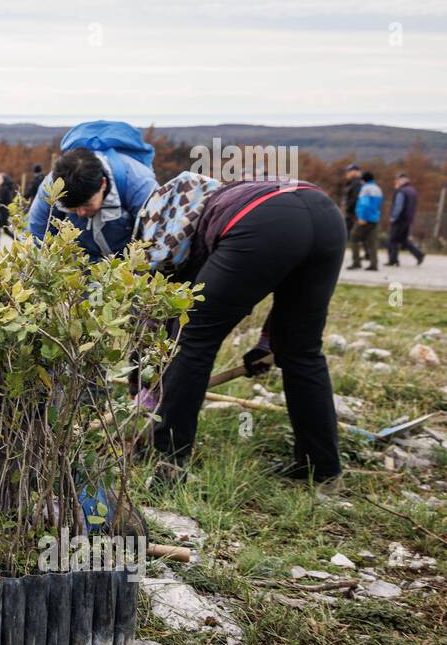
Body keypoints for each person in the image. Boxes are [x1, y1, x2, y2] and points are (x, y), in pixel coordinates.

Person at [148, 178, 346, 482]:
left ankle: (167, 460)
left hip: (264, 222)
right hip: (326, 215)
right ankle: (320, 468)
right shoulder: (222, 197)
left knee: (193, 337)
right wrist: (269, 343)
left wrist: (153, 374)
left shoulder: (193, 239)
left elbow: (185, 323)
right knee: (302, 350)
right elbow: (282, 288)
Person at [27, 121, 157, 261]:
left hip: (128, 271)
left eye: (87, 205)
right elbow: (37, 237)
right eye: (72, 209)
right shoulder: (52, 188)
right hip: (80, 269)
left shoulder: (139, 184)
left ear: (103, 184)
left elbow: (156, 244)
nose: (81, 213)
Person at [386, 172, 425, 267]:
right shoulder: (412, 191)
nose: (395, 182)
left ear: (401, 180)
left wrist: (393, 217)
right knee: (403, 239)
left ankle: (393, 260)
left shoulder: (401, 191)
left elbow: (398, 206)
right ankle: (419, 254)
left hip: (399, 219)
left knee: (393, 239)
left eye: (397, 180)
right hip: (408, 219)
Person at [348, 171, 382, 271]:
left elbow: (364, 204)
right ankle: (374, 264)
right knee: (372, 242)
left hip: (364, 219)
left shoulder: (365, 189)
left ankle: (356, 262)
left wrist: (361, 217)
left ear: (364, 180)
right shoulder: (378, 188)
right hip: (374, 218)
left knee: (354, 238)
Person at [0, 172, 15, 249]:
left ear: (3, 179)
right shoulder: (6, 188)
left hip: (3, 213)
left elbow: (2, 200)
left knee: (5, 230)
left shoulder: (4, 188)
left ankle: (19, 242)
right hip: (4, 212)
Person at [340, 163, 363, 233]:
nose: (346, 173)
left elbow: (356, 199)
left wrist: (348, 209)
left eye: (348, 171)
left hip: (353, 216)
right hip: (350, 215)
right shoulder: (351, 183)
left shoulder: (357, 184)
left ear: (355, 172)